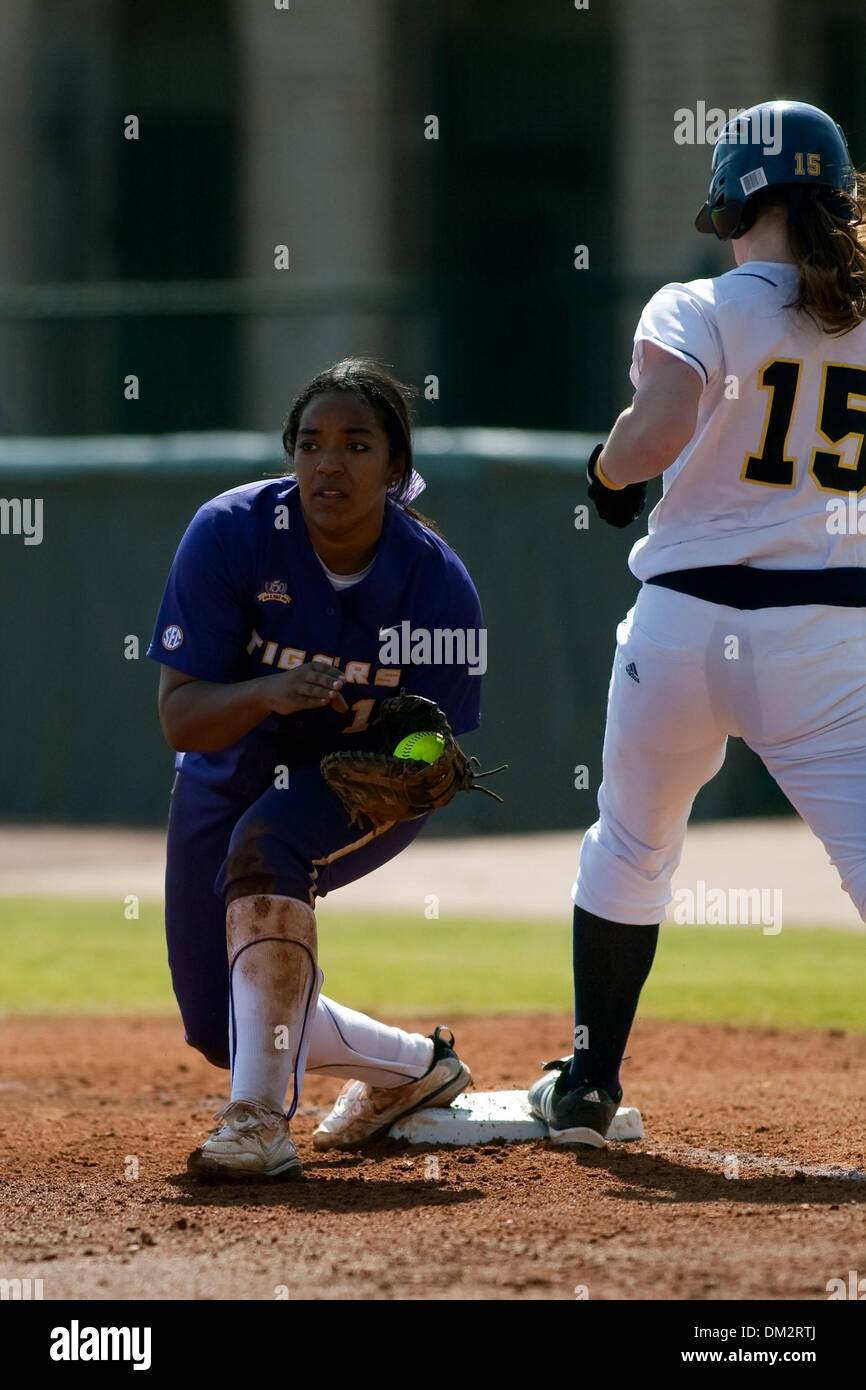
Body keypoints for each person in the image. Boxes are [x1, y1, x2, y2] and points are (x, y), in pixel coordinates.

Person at [529, 100, 866, 1146]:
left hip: (683, 625)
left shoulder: (698, 301)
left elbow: (654, 432)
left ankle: (588, 1082)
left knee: (630, 842)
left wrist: (603, 470)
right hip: (826, 630)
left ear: (733, 197)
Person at [148, 358, 487, 1178]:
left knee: (269, 847)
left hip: (345, 788)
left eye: (355, 444)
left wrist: (409, 762)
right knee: (219, 1026)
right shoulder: (230, 533)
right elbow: (179, 716)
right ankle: (416, 1067)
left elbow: (435, 743)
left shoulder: (435, 584)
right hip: (225, 770)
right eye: (310, 443)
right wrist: (271, 691)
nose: (328, 463)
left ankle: (259, 1121)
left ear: (395, 468)